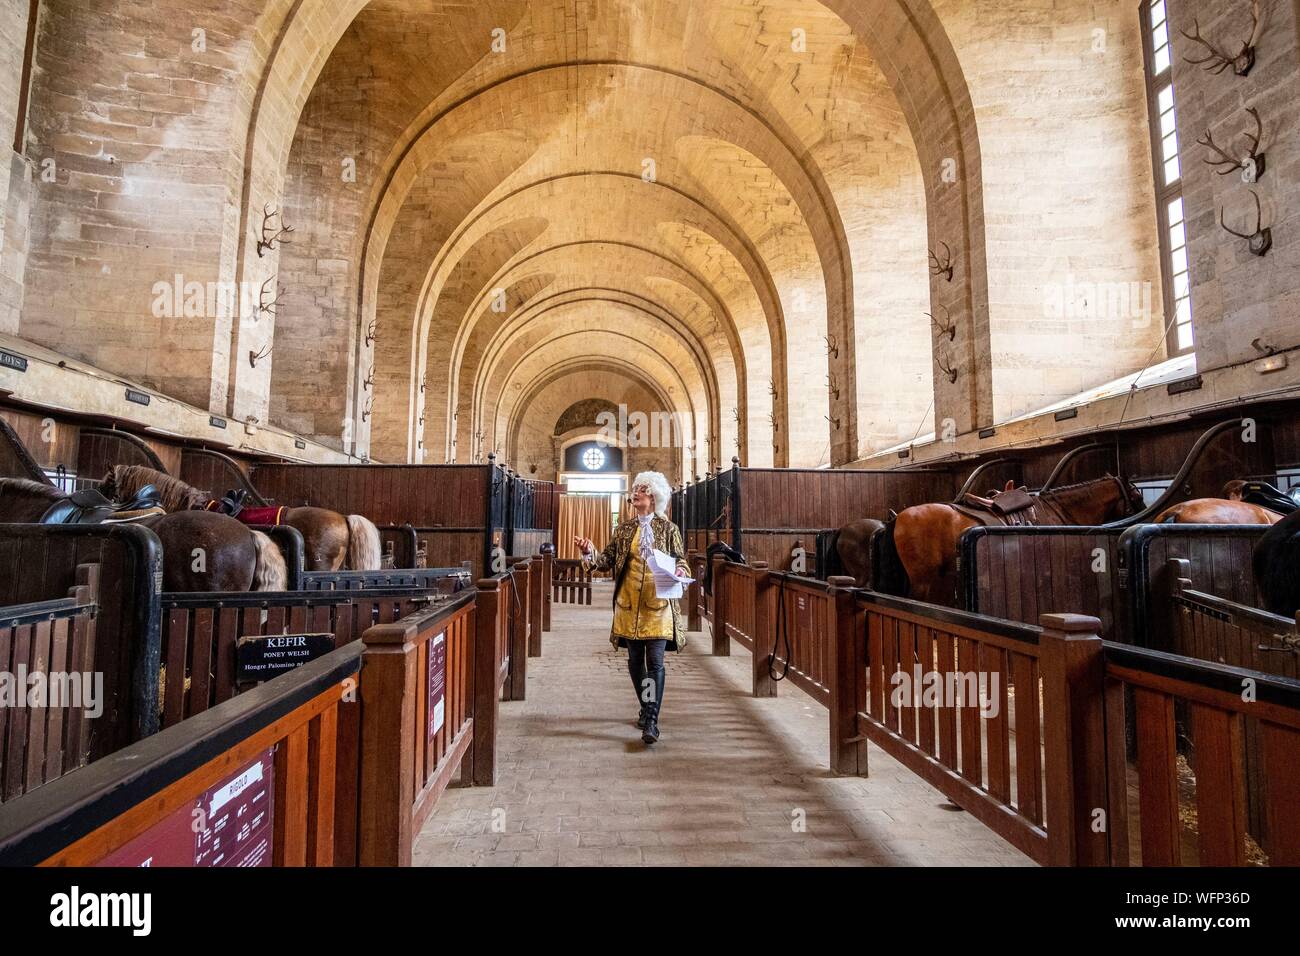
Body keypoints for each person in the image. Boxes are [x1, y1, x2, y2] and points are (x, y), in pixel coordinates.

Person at [573, 471, 689, 744]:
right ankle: (646, 705)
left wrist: (682, 572)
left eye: (642, 489)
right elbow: (604, 562)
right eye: (635, 488)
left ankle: (651, 719)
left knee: (655, 662)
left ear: (654, 497)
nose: (636, 493)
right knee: (636, 662)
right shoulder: (623, 530)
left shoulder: (669, 529)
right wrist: (589, 551)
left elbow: (681, 560)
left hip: (658, 605)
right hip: (628, 605)